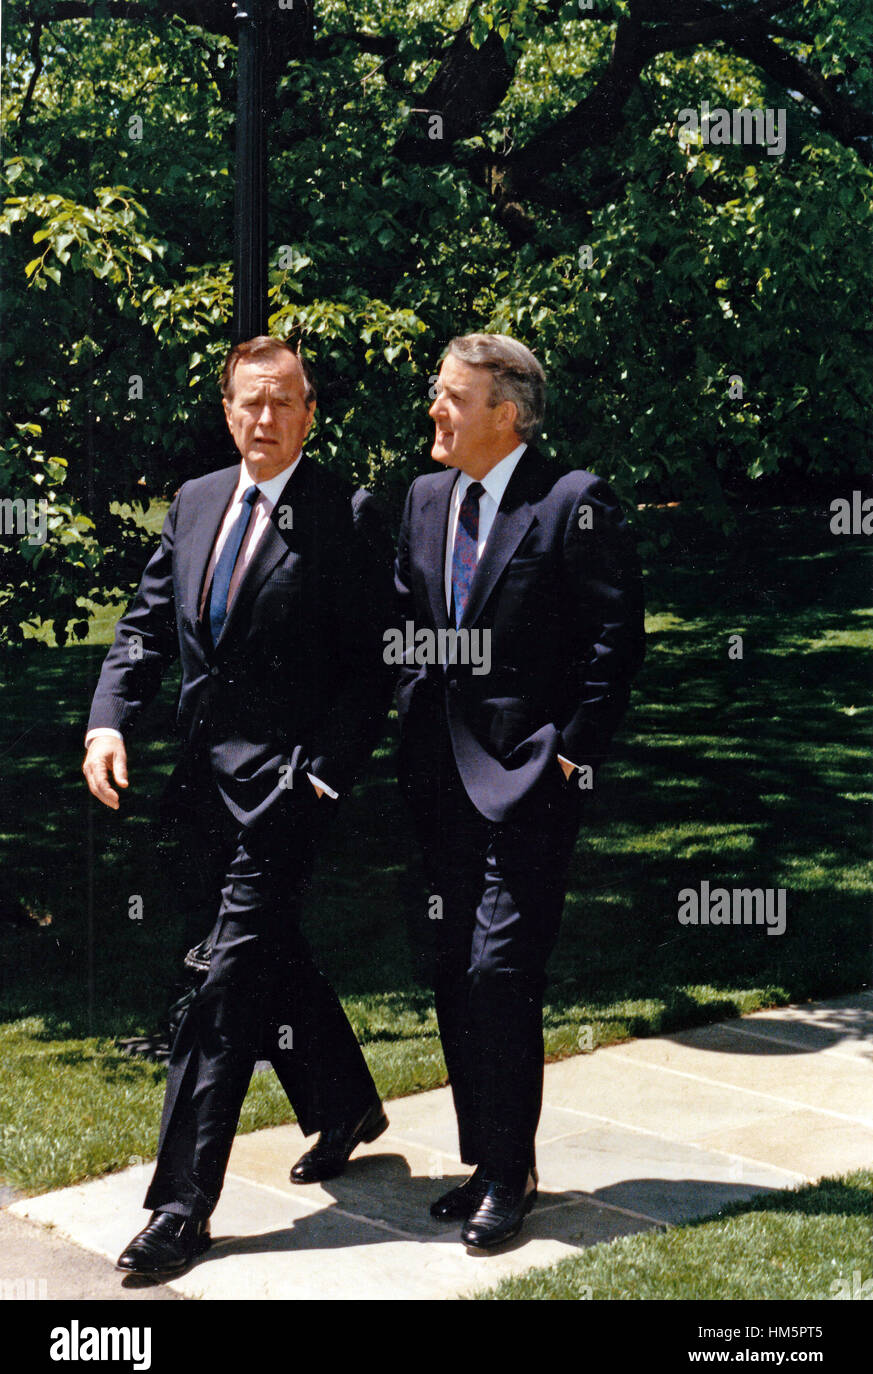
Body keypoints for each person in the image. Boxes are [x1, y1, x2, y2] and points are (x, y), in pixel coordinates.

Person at [83, 336, 394, 1278]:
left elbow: (372, 667)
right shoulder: (195, 501)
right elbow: (144, 629)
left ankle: (181, 1208)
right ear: (227, 412)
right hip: (197, 794)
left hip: (287, 793)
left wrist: (321, 776)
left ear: (309, 413)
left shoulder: (345, 513)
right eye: (250, 402)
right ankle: (344, 1102)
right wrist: (107, 722)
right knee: (266, 955)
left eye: (283, 401)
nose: (266, 418)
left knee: (222, 986)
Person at [394, 333, 645, 1248]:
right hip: (437, 781)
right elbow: (408, 620)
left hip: (529, 783)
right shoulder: (425, 498)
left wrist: (569, 758)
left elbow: (616, 644)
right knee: (451, 971)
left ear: (504, 414)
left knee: (499, 972)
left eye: (452, 398)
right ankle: (486, 1159)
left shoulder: (571, 501)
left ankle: (510, 1176)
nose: (435, 409)